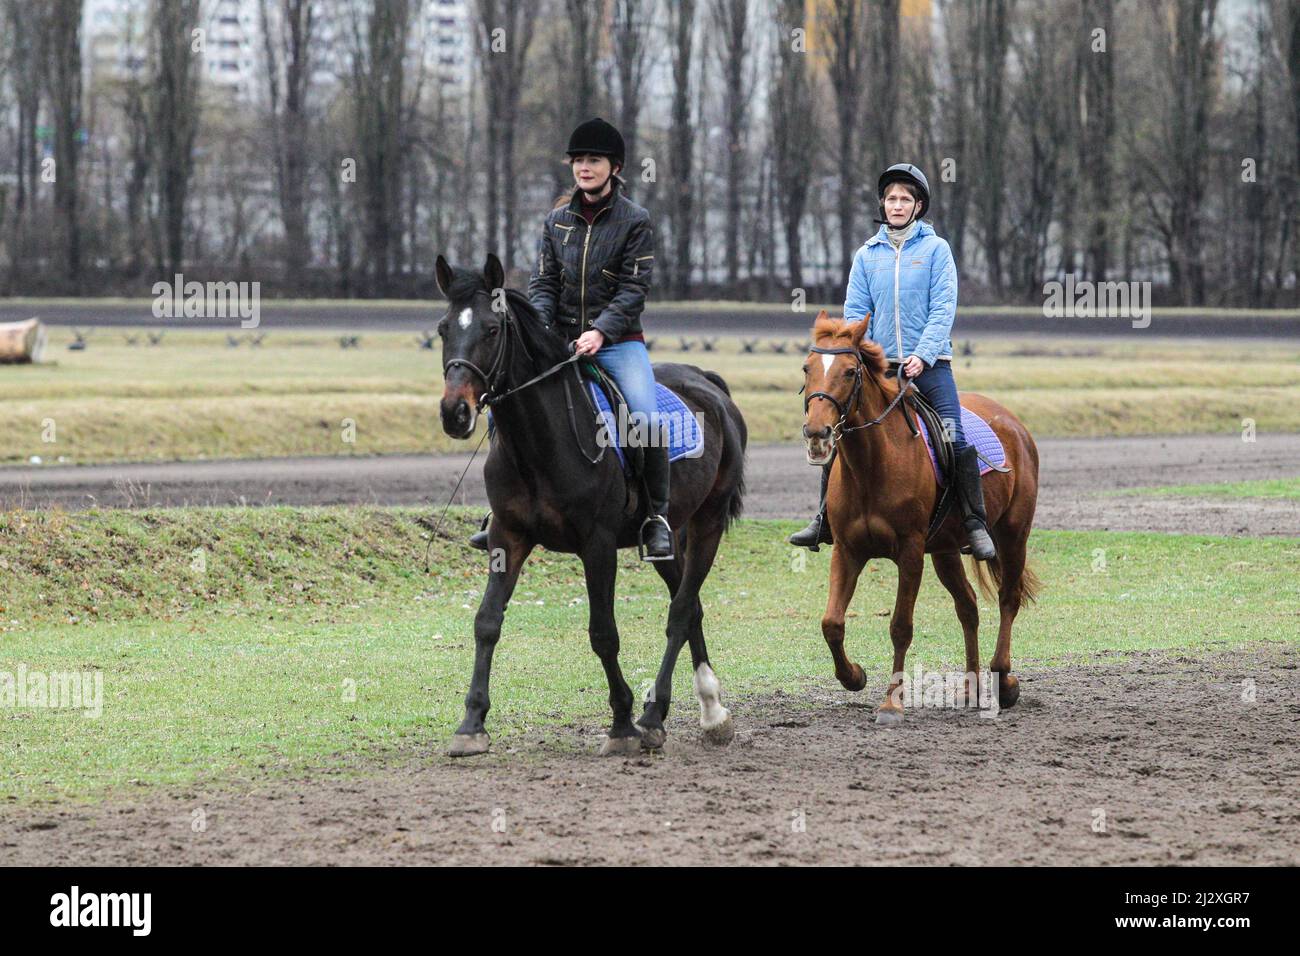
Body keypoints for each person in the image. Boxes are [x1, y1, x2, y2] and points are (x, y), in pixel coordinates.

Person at [469, 117, 672, 560]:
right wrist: (542, 331)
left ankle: (656, 518)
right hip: (558, 341)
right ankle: (502, 513)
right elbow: (543, 283)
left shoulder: (636, 221)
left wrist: (601, 331)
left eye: (593, 160)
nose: (584, 167)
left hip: (619, 343)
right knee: (502, 406)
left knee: (645, 419)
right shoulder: (555, 221)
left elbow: (634, 289)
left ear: (614, 167)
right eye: (578, 160)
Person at [788, 163, 997, 561]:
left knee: (953, 435)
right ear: (883, 205)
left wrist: (923, 354)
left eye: (904, 199)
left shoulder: (937, 251)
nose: (897, 205)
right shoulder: (867, 255)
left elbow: (943, 308)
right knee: (841, 431)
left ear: (918, 206)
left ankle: (973, 521)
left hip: (931, 364)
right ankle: (823, 518)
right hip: (879, 368)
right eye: (891, 199)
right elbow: (855, 312)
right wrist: (860, 354)